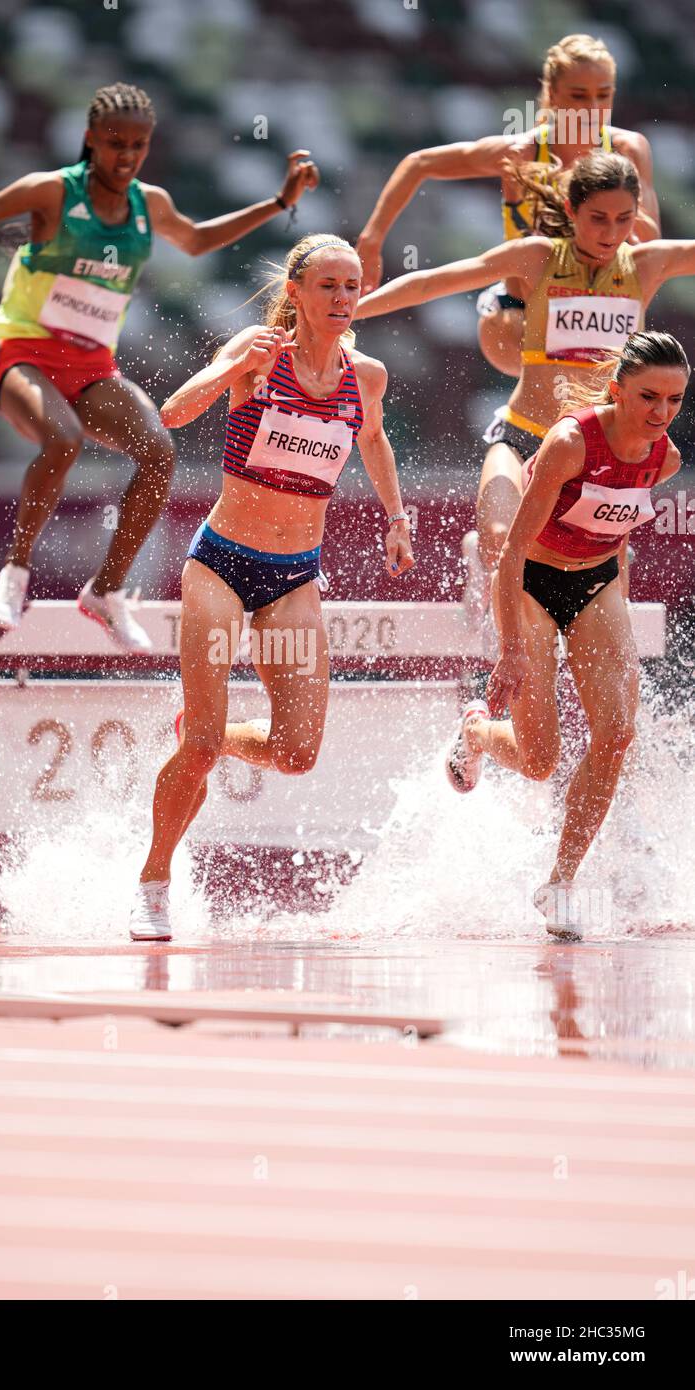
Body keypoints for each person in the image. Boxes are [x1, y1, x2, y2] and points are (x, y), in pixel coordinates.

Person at [0, 82, 319, 650]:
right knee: (64, 438)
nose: (126, 157)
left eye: (138, 146)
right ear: (90, 141)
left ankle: (106, 591)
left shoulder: (151, 205)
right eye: (114, 144)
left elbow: (197, 241)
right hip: (22, 350)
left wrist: (277, 203)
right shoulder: (51, 193)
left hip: (91, 364)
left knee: (159, 451)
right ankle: (16, 572)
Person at [128, 234, 414, 941]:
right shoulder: (261, 356)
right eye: (328, 286)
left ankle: (212, 733)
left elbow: (372, 440)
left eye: (352, 287)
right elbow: (172, 412)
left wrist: (397, 516)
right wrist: (229, 370)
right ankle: (155, 880)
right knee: (195, 751)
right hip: (222, 563)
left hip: (293, 576)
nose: (343, 299)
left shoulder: (366, 377)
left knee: (296, 753)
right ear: (297, 292)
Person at [355, 152, 695, 629]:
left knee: (603, 576)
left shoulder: (647, 264)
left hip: (596, 452)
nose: (610, 232)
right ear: (572, 211)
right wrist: (351, 311)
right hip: (524, 433)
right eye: (597, 218)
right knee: (499, 535)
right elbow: (437, 281)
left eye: (623, 219)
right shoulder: (537, 257)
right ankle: (484, 578)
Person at [444, 331, 687, 938]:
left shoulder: (667, 458)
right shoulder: (571, 442)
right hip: (530, 584)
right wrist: (512, 653)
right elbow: (511, 556)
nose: (661, 414)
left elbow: (620, 527)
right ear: (617, 390)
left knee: (616, 732)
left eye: (675, 401)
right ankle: (476, 730)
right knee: (539, 760)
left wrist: (616, 612)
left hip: (597, 584)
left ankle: (561, 883)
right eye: (648, 397)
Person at [356, 33, 660, 378]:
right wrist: (372, 239)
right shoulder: (521, 154)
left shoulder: (628, 150)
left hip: (598, 310)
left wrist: (618, 218)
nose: (592, 108)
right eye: (579, 96)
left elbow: (651, 248)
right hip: (518, 315)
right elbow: (419, 163)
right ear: (552, 94)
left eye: (603, 95)